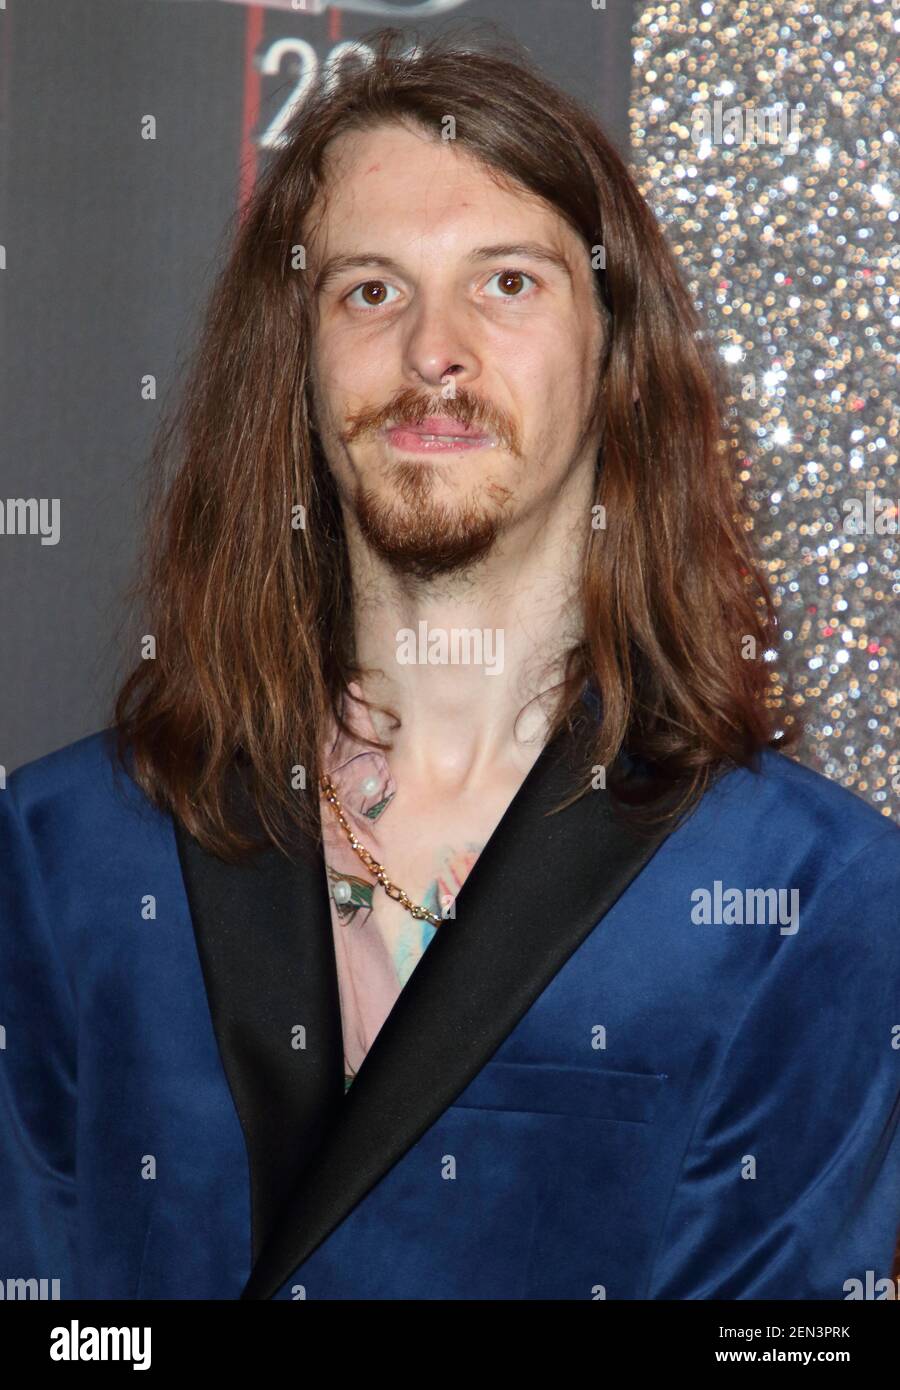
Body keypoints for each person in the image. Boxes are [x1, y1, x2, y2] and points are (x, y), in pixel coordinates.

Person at [2, 29, 898, 1302]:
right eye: (371, 289)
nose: (436, 350)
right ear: (294, 370)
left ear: (614, 364)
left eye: (509, 283)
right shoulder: (62, 850)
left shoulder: (814, 895)